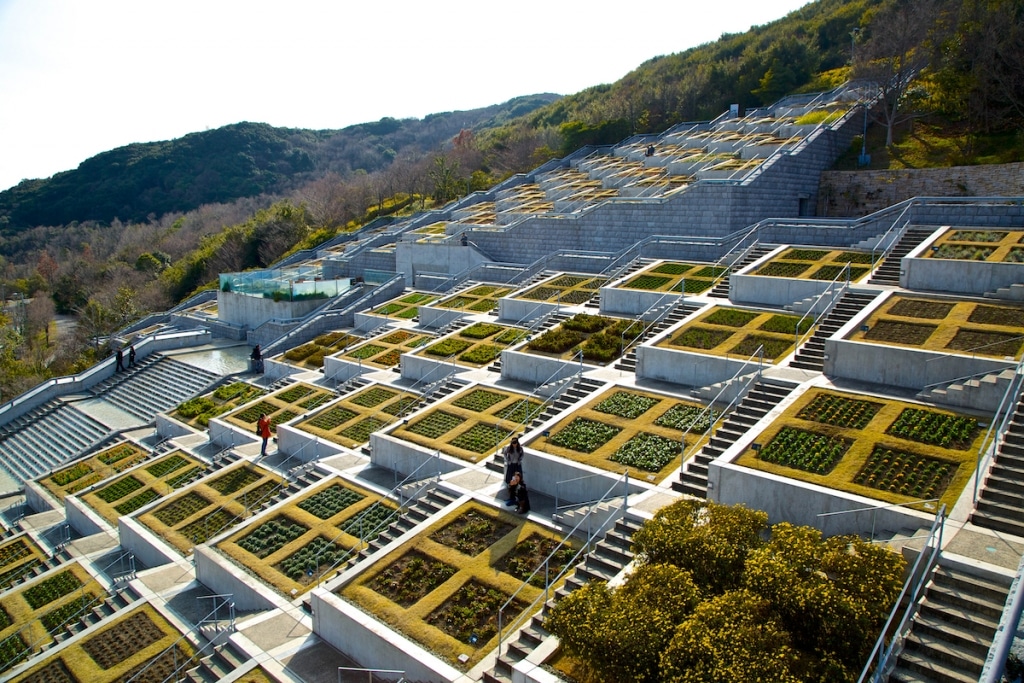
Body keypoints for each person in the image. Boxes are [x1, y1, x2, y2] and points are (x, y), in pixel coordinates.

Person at [503, 437, 524, 505]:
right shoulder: (509, 448)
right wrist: (508, 461)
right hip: (511, 465)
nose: (514, 445)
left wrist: (520, 460)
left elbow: (522, 455)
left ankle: (516, 497)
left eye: (515, 443)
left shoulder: (520, 449)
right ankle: (511, 494)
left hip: (517, 465)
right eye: (513, 443)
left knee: (518, 478)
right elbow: (505, 454)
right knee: (510, 478)